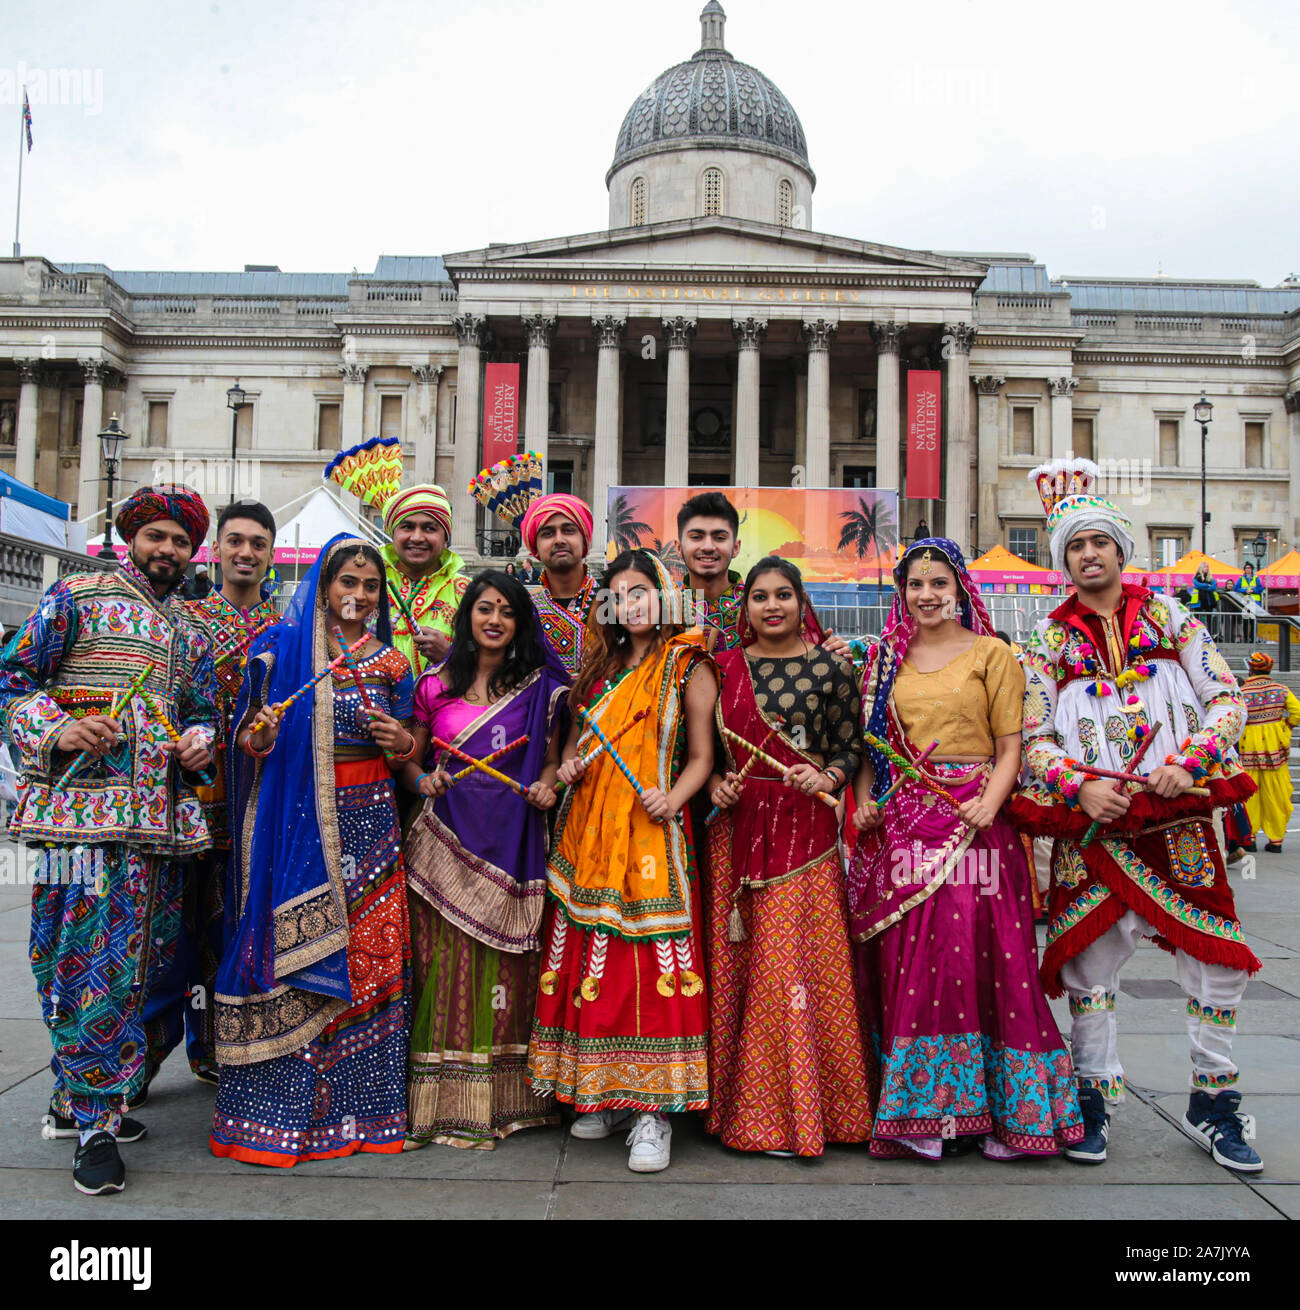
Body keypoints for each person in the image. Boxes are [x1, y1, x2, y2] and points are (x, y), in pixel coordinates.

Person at [1011, 458, 1263, 1172]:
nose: (1089, 555)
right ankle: (1092, 1099)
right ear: (1065, 562)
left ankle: (1213, 1099)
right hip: (1092, 830)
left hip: (1176, 820)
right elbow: (1032, 740)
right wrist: (1076, 787)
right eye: (1075, 547)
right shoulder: (1044, 641)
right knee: (1090, 970)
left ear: (1122, 550)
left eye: (1100, 542)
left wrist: (1193, 760)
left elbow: (1228, 699)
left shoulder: (1170, 617)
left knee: (1216, 965)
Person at [0, 485, 217, 1195]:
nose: (168, 550)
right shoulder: (79, 597)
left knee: (136, 966)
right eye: (157, 536)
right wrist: (57, 728)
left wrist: (197, 742)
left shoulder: (189, 629)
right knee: (73, 956)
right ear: (132, 537)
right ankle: (92, 1121)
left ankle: (83, 1093)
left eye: (181, 541)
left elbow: (203, 712)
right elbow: (12, 678)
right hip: (76, 821)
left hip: (154, 829)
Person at [849, 537, 1082, 1161]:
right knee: (912, 958)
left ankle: (1007, 1114)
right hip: (904, 823)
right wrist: (864, 803)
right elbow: (874, 753)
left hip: (977, 819)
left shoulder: (993, 654)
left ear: (960, 592)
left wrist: (989, 802)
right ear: (902, 592)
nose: (927, 596)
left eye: (940, 585)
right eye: (916, 585)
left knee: (989, 955)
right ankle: (922, 1109)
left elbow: (1012, 747)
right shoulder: (883, 660)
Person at [210, 536, 417, 1166]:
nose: (358, 595)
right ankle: (279, 1117)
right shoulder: (278, 649)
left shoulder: (393, 664)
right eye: (346, 583)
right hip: (297, 824)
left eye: (370, 586)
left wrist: (402, 741)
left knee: (368, 967)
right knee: (294, 956)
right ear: (324, 586)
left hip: (373, 828)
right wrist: (261, 734)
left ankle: (365, 1112)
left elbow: (410, 751)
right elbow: (245, 738)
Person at [528, 549, 717, 1173]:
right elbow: (578, 750)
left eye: (643, 591)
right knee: (594, 959)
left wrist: (676, 796)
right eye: (620, 594)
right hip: (592, 832)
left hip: (653, 830)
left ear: (664, 596)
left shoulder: (688, 666)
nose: (632, 604)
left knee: (649, 965)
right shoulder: (600, 672)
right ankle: (604, 1094)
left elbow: (700, 757)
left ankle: (652, 1114)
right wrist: (575, 766)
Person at [705, 557, 873, 1156]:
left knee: (790, 968)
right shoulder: (720, 669)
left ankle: (792, 1114)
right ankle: (735, 1109)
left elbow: (852, 745)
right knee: (738, 969)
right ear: (743, 606)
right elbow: (699, 754)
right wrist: (713, 785)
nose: (770, 606)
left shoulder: (833, 669)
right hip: (737, 828)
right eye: (758, 596)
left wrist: (826, 774)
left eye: (783, 595)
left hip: (805, 830)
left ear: (803, 602)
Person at [400, 570, 569, 1149]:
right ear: (466, 617)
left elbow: (551, 760)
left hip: (512, 841)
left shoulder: (543, 687)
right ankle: (442, 1105)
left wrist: (547, 786)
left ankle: (507, 1103)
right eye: (483, 609)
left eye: (506, 611)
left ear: (520, 623)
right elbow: (409, 759)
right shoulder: (433, 686)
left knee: (504, 972)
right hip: (444, 843)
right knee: (442, 969)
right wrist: (423, 779)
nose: (494, 620)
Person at [138, 501, 280, 1091]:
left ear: (271, 554)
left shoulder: (287, 627)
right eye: (235, 541)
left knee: (242, 927)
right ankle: (140, 1057)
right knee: (173, 933)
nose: (246, 553)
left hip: (259, 804)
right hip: (188, 801)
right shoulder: (183, 620)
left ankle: (233, 1046)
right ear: (215, 550)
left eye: (258, 543)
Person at [325, 436, 469, 675]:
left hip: (440, 709)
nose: (417, 537)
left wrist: (450, 655)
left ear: (446, 538)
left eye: (430, 528)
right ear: (392, 533)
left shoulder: (467, 592)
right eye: (407, 527)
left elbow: (491, 660)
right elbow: (333, 633)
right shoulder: (360, 580)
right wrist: (364, 636)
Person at [522, 493, 598, 674]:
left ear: (584, 541)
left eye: (568, 530)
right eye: (547, 533)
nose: (559, 540)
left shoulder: (615, 603)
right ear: (536, 548)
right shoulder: (523, 609)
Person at [1238, 650, 1300, 854]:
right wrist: (1286, 726)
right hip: (1275, 747)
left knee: (1250, 793)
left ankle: (1251, 836)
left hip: (1249, 747)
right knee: (1277, 792)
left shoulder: (1243, 692)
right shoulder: (1281, 690)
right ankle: (1276, 840)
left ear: (1251, 668)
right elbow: (1297, 710)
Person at [1233, 563, 1266, 641]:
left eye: (1249, 568)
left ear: (1252, 569)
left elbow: (1260, 588)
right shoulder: (1241, 578)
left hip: (1254, 603)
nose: (1247, 569)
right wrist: (1245, 591)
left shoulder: (1256, 578)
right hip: (1245, 602)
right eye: (1246, 568)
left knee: (1253, 621)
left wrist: (1253, 590)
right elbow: (1236, 588)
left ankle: (1253, 638)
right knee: (1245, 620)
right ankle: (1246, 638)